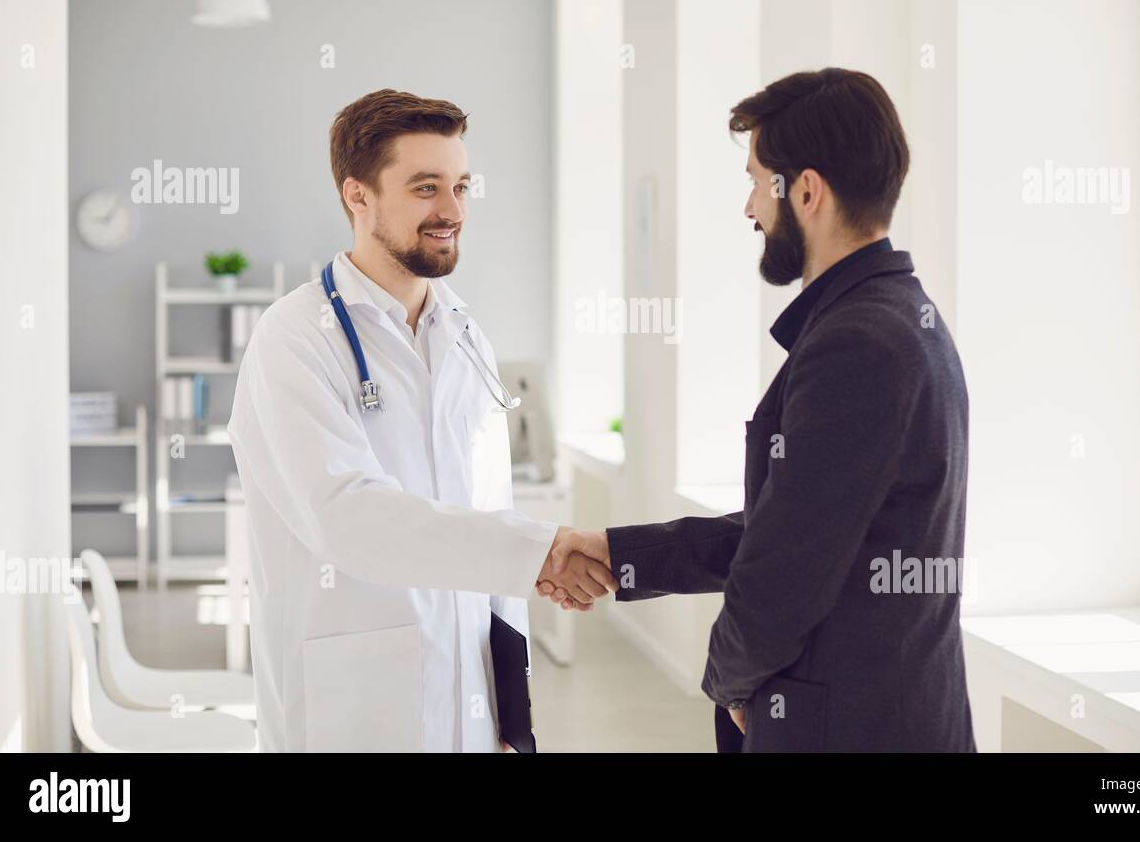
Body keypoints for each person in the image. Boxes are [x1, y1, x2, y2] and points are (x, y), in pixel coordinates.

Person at [540, 68, 975, 753]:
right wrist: (620, 555)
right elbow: (795, 523)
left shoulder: (857, 342)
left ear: (806, 190)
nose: (749, 208)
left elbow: (785, 570)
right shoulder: (894, 318)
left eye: (754, 180)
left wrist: (727, 683)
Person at [229, 89, 614, 752]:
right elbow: (345, 516)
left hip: (470, 707)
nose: (453, 211)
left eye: (461, 186)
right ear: (359, 197)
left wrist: (514, 721)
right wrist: (538, 551)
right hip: (351, 707)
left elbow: (491, 512)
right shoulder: (293, 339)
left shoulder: (466, 336)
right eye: (425, 187)